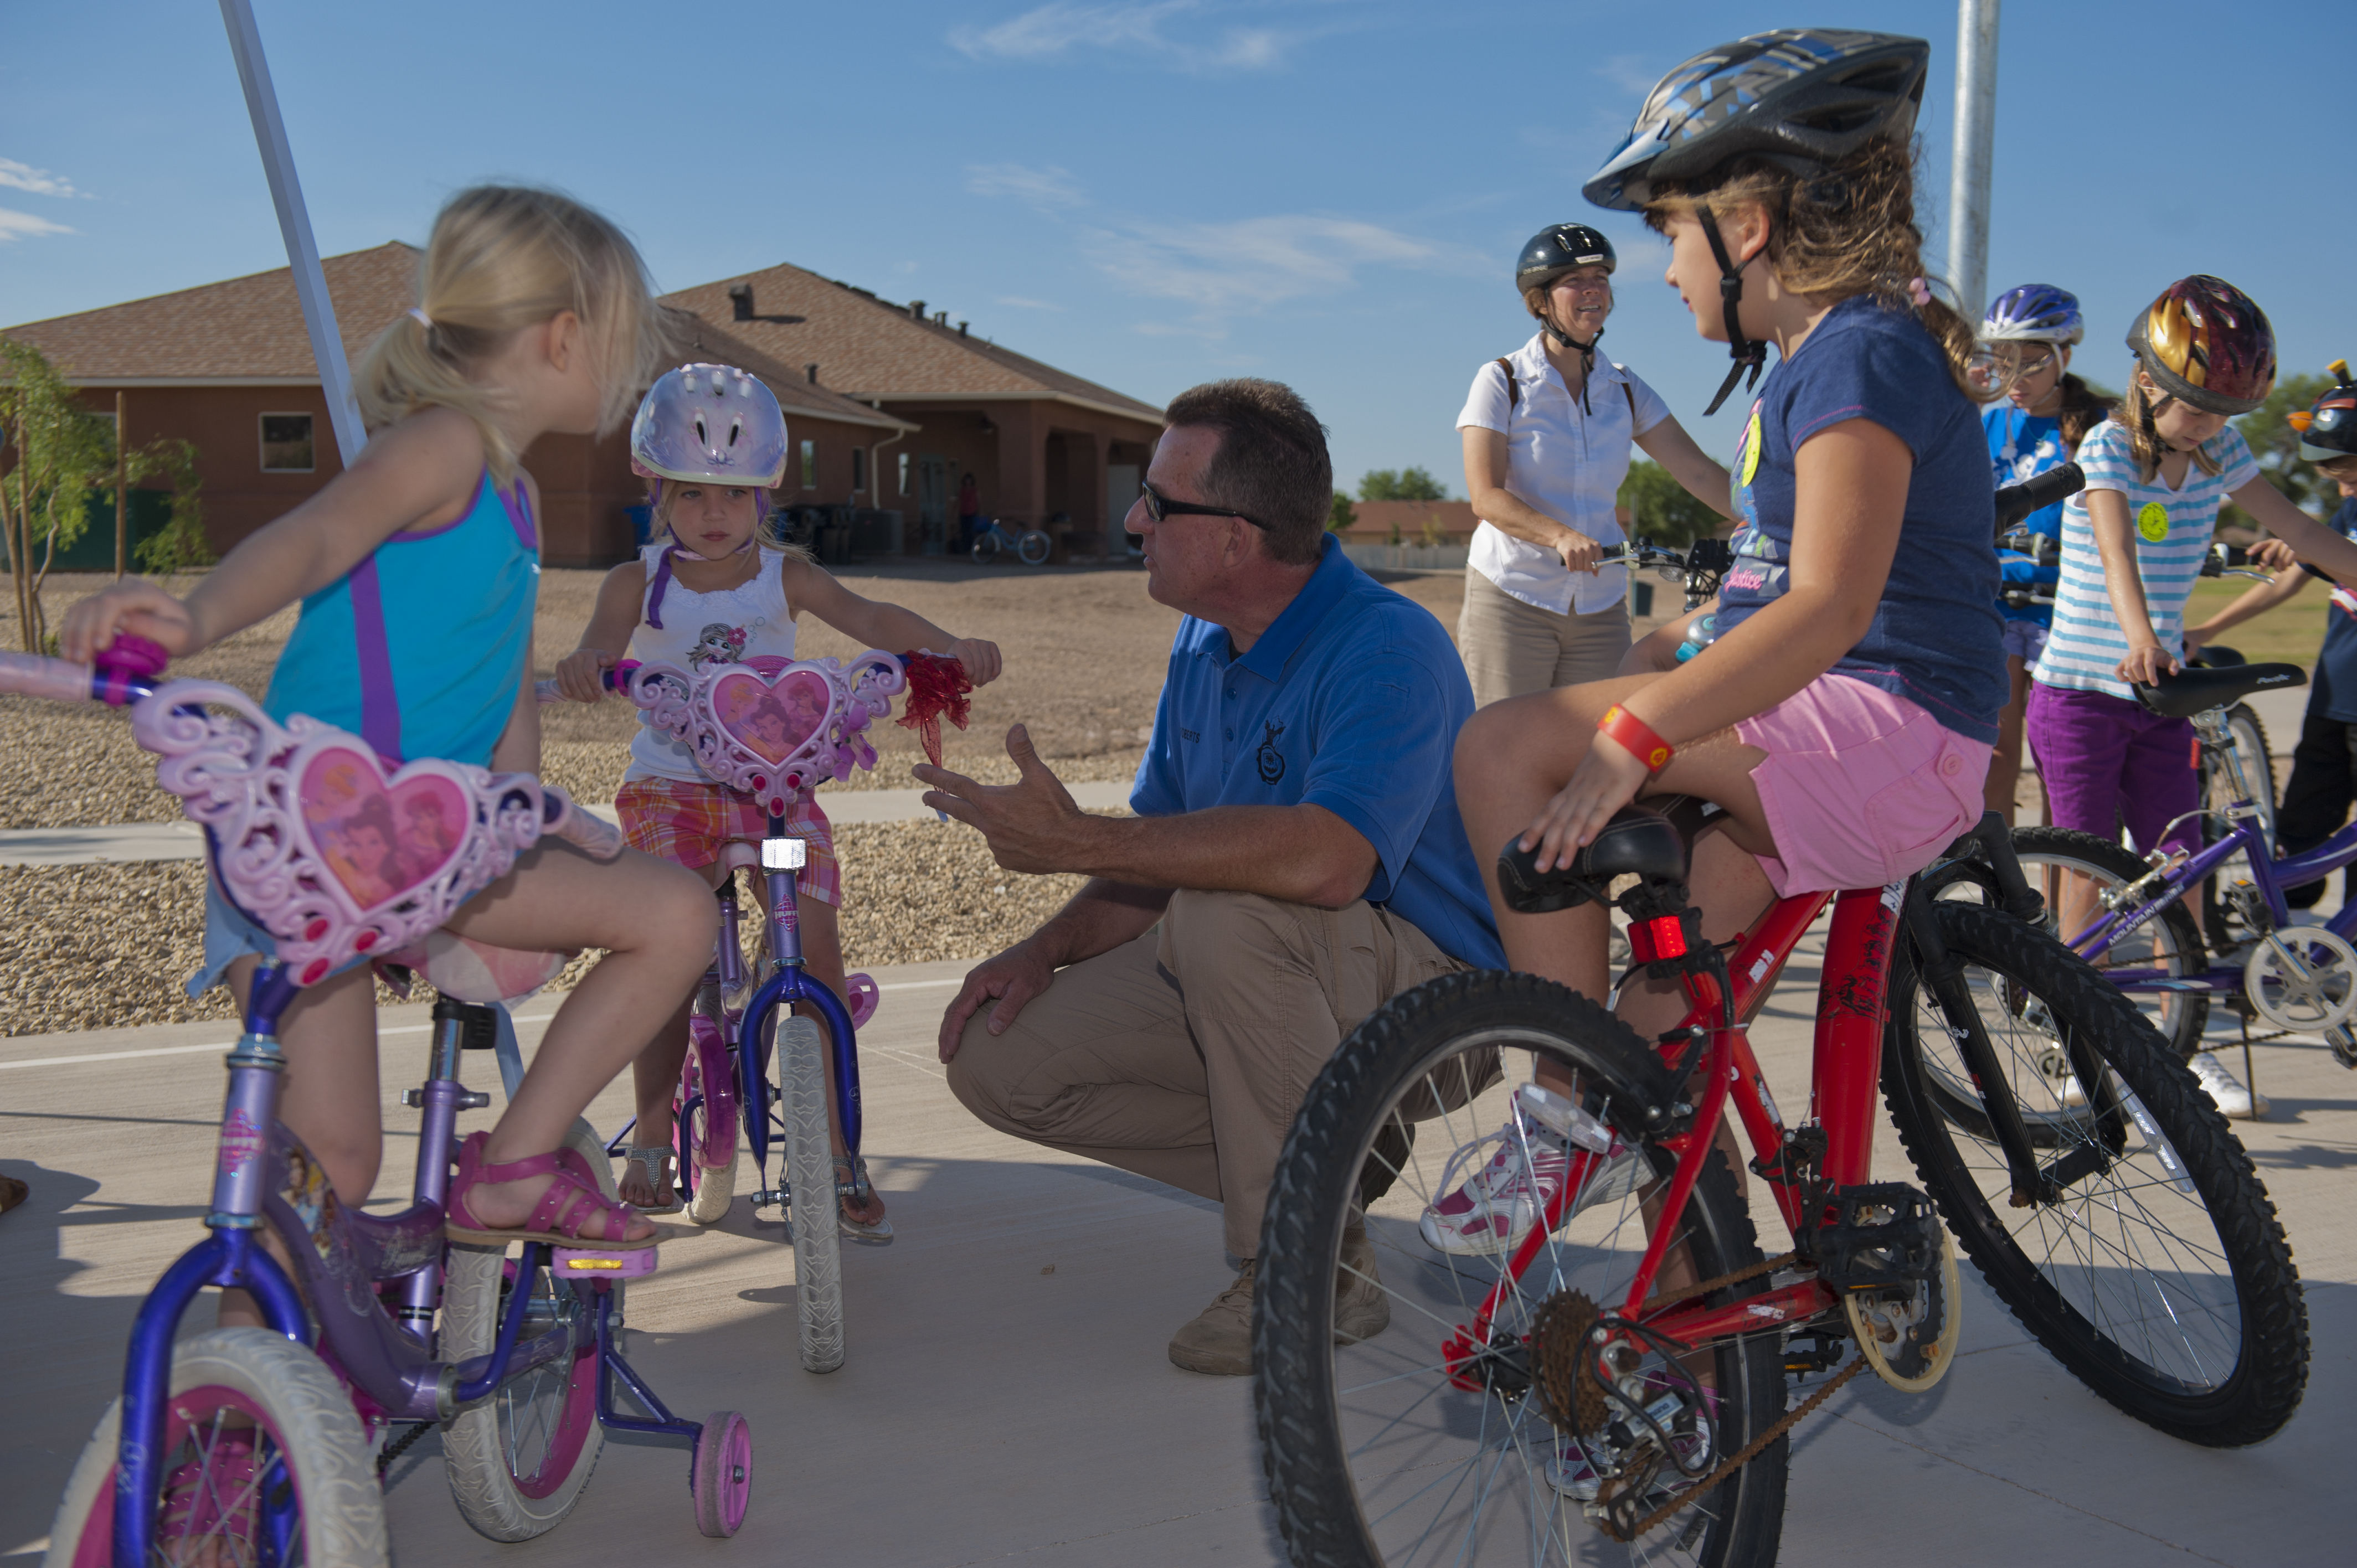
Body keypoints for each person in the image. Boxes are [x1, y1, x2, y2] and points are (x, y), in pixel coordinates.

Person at [1442, 20, 1999, 1371]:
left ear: (1747, 225)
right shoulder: (1822, 360)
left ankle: (1560, 1097)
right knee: (1671, 1016)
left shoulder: (1859, 352)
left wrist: (1641, 728)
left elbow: (1835, 605)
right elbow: (1786, 585)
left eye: (1669, 232)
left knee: (1506, 745)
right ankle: (1686, 1321)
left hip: (1892, 731)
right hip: (1847, 735)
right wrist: (1688, 636)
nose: (1662, 270)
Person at [60, 185, 721, 1273]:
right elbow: (312, 540)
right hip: (312, 836)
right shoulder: (442, 447)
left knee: (670, 914)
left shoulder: (513, 495)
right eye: (625, 341)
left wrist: (523, 805)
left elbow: (502, 681)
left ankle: (513, 1163)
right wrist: (193, 617)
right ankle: (250, 1393)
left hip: (429, 843)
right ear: (564, 338)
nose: (629, 367)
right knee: (333, 1158)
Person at [919, 377, 1504, 1376]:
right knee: (996, 1054)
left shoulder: (1388, 646)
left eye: (1158, 501)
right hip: (1291, 973)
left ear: (1235, 539)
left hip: (1437, 998)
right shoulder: (1203, 638)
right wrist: (1041, 947)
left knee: (1226, 912)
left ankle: (1305, 1261)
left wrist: (1078, 839)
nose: (1135, 520)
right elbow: (1162, 849)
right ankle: (1334, 1161)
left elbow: (1328, 861)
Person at [555, 363, 1002, 1235]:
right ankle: (652, 1134)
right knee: (665, 959)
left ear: (764, 496)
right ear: (658, 493)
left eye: (733, 494)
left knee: (818, 950)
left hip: (774, 794)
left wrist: (948, 646)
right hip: (672, 794)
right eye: (690, 494)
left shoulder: (784, 576)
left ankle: (836, 1147)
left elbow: (870, 619)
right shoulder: (634, 582)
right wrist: (585, 667)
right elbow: (601, 650)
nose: (712, 513)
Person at [2029, 282, 2357, 1117]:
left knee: (2180, 867)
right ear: (2146, 382)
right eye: (2198, 406)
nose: (2210, 424)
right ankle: (2086, 1043)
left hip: (2160, 698)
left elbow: (2310, 534)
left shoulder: (2219, 454)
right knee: (2087, 869)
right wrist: (2141, 633)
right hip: (2081, 693)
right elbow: (2114, 554)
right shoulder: (2105, 447)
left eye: (2225, 410)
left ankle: (2186, 1047)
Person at [1457, 223, 1731, 706]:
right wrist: (1558, 535)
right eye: (1575, 281)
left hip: (1601, 605)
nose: (1593, 290)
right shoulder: (1502, 380)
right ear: (1540, 301)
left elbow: (1698, 472)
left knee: (1597, 745)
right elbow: (1487, 497)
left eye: (1601, 278)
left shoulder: (1623, 387)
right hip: (1513, 595)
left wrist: (1773, 519)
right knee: (1503, 744)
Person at [2182, 368, 2357, 909]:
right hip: (2333, 697)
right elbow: (2287, 581)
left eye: (2347, 473)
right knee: (2302, 827)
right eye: (2331, 476)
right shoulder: (2347, 509)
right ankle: (2294, 940)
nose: (2339, 488)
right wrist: (2206, 629)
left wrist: (2307, 549)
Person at [1976, 285, 2113, 823]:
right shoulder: (1986, 423)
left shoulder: (2098, 425)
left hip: (2067, 614)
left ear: (2064, 357)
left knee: (2060, 767)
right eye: (2001, 362)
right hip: (1996, 608)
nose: (2014, 377)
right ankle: (1999, 898)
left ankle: (2063, 897)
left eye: (2029, 364)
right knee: (1994, 758)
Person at [957, 471, 981, 554]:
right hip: (963, 513)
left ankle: (972, 550)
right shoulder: (962, 490)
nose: (968, 481)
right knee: (964, 532)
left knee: (971, 532)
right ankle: (965, 549)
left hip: (972, 513)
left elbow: (979, 502)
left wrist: (980, 513)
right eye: (966, 480)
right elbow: (958, 501)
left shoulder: (975, 490)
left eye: (969, 480)